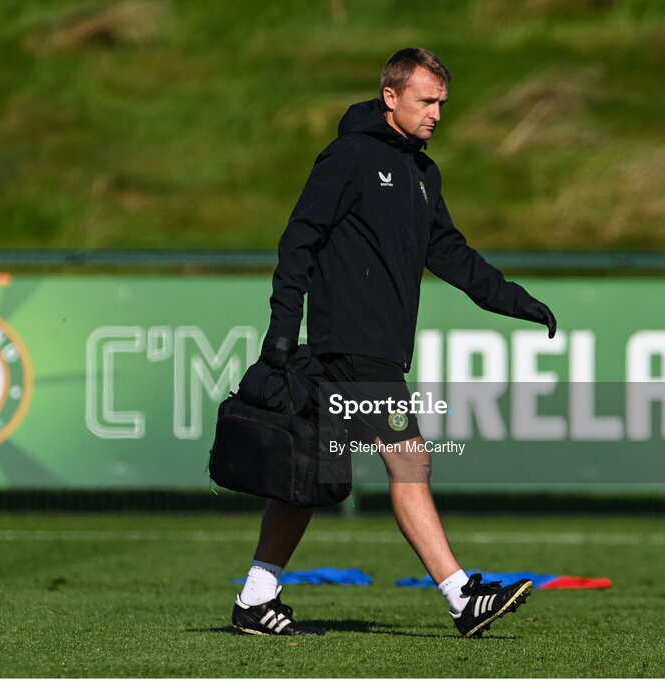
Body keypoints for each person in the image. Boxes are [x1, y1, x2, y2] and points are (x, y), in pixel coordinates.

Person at [231, 48, 557, 638]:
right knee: (410, 459)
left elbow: (449, 252)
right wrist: (282, 330)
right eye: (425, 101)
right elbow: (297, 241)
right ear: (391, 97)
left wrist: (513, 299)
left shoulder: (423, 173)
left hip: (372, 347)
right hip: (352, 343)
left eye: (441, 103)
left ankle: (256, 596)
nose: (436, 114)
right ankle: (463, 597)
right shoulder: (350, 156)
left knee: (306, 472)